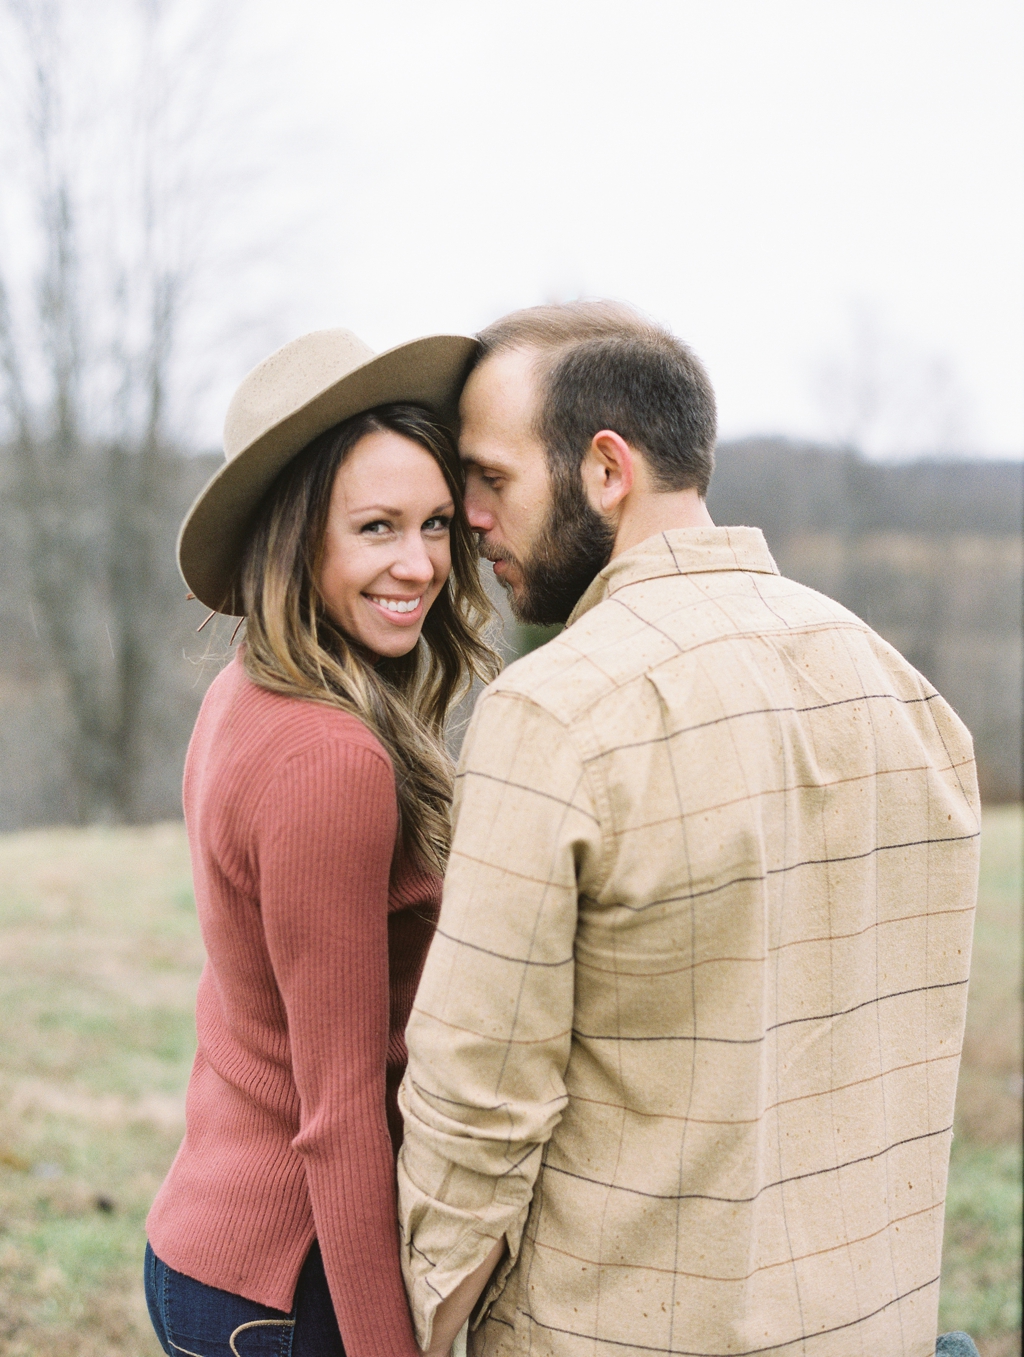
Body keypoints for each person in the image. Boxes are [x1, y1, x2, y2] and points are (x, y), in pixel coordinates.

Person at [396, 302, 981, 1357]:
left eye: (491, 479)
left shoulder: (553, 713)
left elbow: (478, 1102)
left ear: (604, 469)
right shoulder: (903, 692)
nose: (469, 518)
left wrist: (433, 1324)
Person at [145, 328, 498, 1357]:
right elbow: (337, 1114)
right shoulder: (330, 761)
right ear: (298, 537)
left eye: (436, 524)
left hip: (211, 1243)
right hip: (284, 1285)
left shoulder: (249, 686)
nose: (419, 564)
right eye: (376, 527)